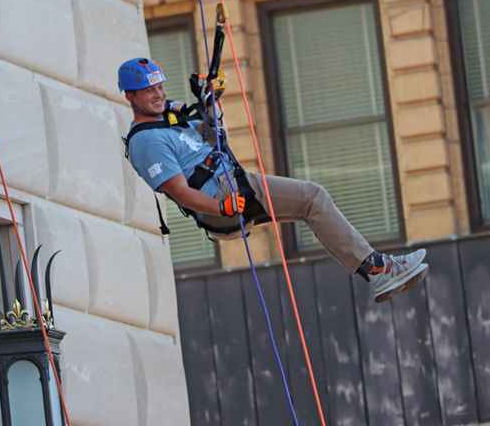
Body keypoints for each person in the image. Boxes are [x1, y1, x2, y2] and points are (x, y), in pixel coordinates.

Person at [118, 57, 428, 303]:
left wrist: (211, 102)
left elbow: (213, 136)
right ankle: (378, 269)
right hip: (223, 196)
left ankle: (375, 272)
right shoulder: (146, 141)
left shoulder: (171, 124)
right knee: (313, 197)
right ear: (131, 96)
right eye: (149, 90)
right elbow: (181, 193)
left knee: (311, 206)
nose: (159, 95)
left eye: (159, 86)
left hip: (229, 188)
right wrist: (221, 207)